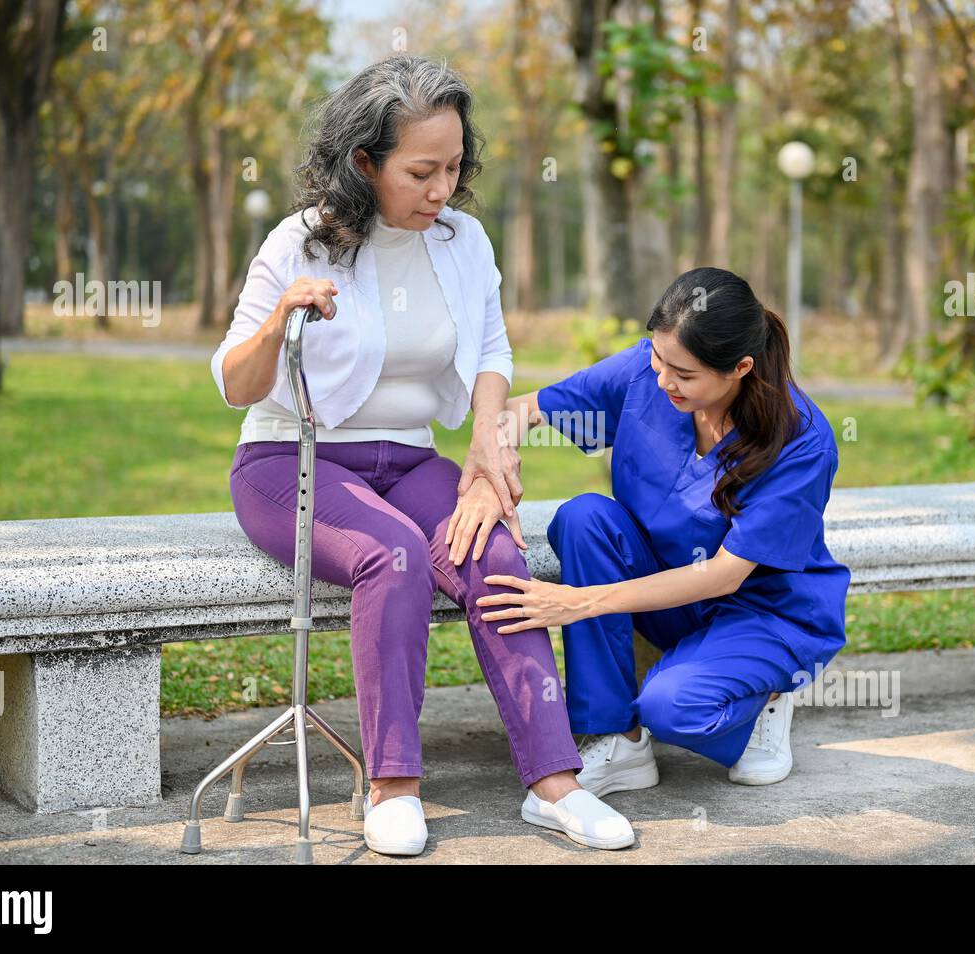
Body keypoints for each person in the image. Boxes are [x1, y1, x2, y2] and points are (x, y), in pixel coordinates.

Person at [210, 54, 634, 856]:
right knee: (396, 554)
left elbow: (490, 349)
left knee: (495, 551)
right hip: (288, 464)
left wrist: (485, 447)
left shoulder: (462, 241)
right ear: (364, 163)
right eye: (421, 171)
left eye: (453, 166)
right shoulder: (299, 242)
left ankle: (556, 784)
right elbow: (235, 382)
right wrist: (280, 321)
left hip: (408, 459)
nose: (442, 188)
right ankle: (393, 784)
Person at [470, 267, 851, 794]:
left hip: (763, 612)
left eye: (684, 374)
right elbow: (523, 411)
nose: (663, 381)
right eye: (657, 359)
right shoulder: (647, 372)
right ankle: (616, 736)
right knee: (584, 518)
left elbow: (724, 576)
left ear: (740, 367)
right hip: (669, 592)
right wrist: (492, 472)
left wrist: (578, 603)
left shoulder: (801, 441)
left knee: (670, 707)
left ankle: (765, 699)